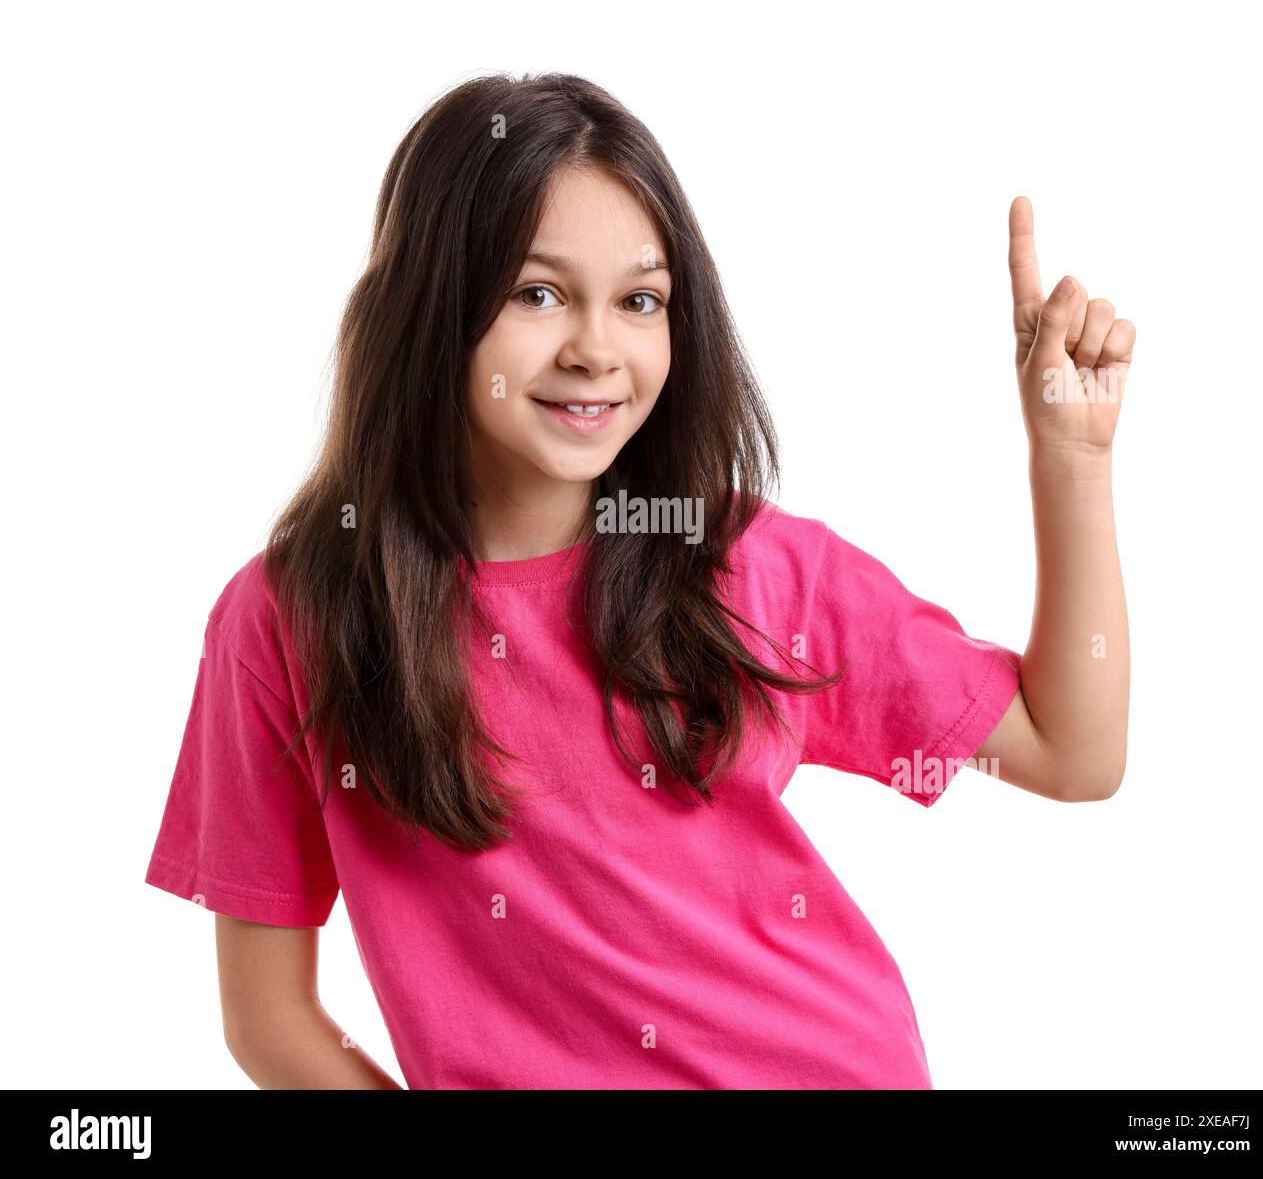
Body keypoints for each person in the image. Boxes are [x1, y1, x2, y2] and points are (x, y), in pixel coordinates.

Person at [144, 71, 1134, 1090]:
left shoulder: (749, 566)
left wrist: (1072, 460)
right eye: (537, 293)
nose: (596, 349)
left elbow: (1070, 753)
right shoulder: (286, 619)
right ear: (428, 307)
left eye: (640, 300)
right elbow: (268, 1019)